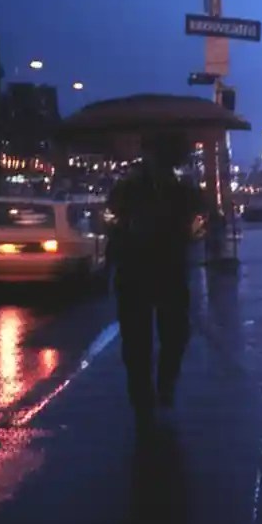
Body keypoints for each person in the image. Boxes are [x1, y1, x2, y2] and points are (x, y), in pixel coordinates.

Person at [105, 132, 204, 430]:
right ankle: (146, 396)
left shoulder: (178, 189)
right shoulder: (132, 188)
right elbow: (114, 224)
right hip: (146, 270)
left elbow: (197, 220)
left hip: (157, 270)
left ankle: (157, 388)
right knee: (141, 340)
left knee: (170, 334)